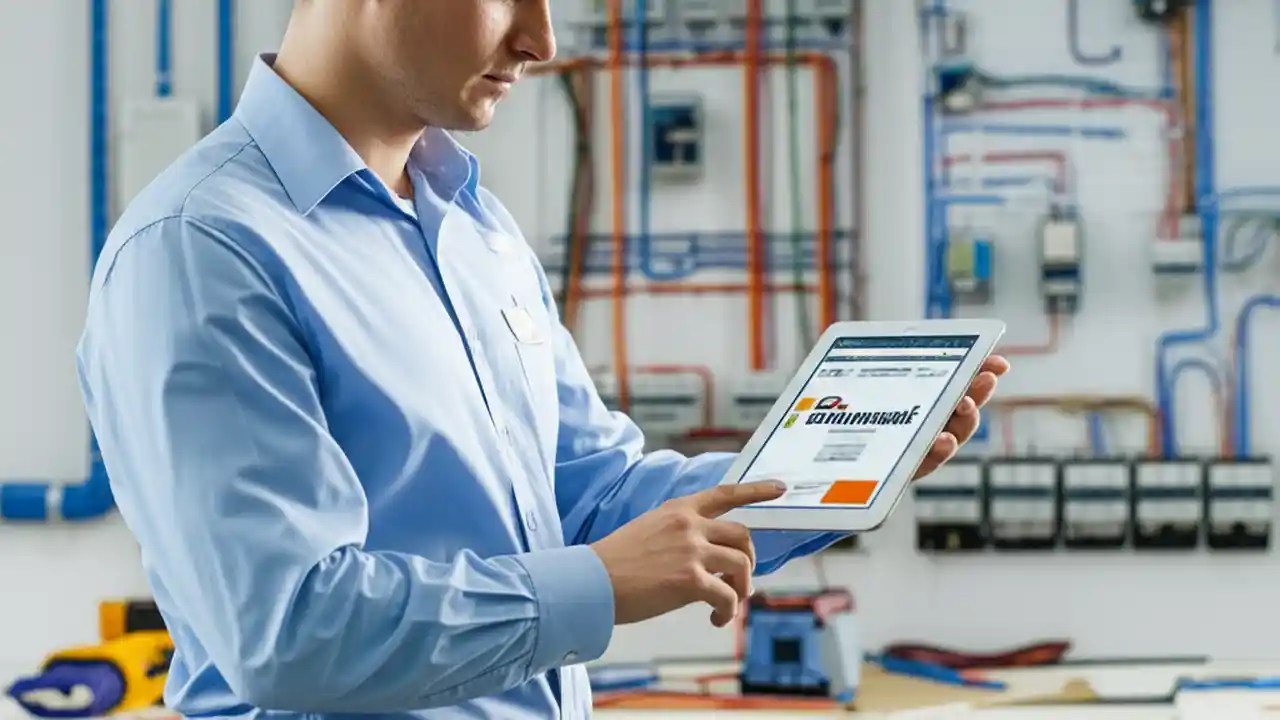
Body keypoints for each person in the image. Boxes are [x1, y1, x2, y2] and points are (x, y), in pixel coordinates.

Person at [75, 1, 1010, 718]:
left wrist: (830, 475)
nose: (542, 39)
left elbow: (589, 495)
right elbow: (286, 627)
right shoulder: (200, 247)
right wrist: (598, 584)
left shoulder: (472, 226)